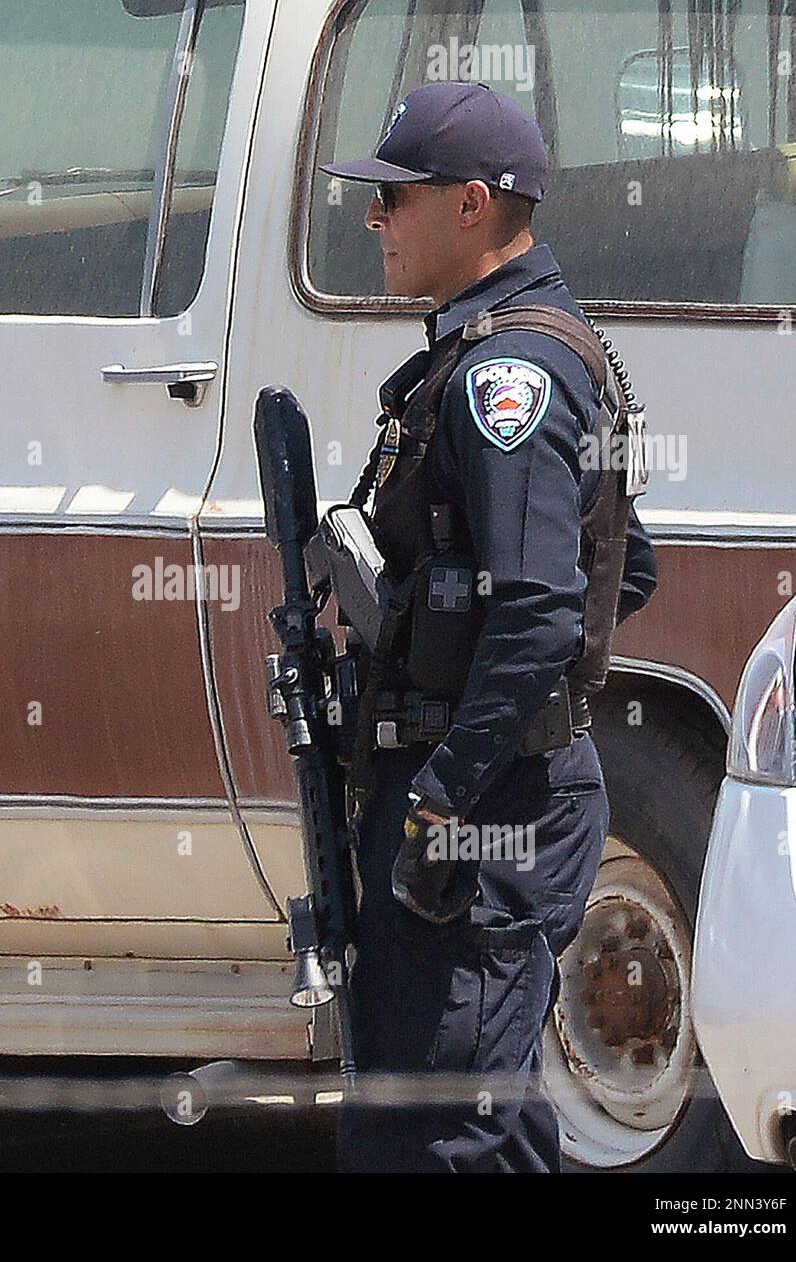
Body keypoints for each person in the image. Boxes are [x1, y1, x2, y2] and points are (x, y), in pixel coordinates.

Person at [320, 80, 658, 1172]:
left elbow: (546, 610)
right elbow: (625, 574)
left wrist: (440, 789)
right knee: (482, 1121)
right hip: (494, 791)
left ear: (470, 205)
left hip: (478, 811)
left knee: (431, 1133)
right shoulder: (515, 347)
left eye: (393, 199)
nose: (373, 219)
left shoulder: (502, 375)